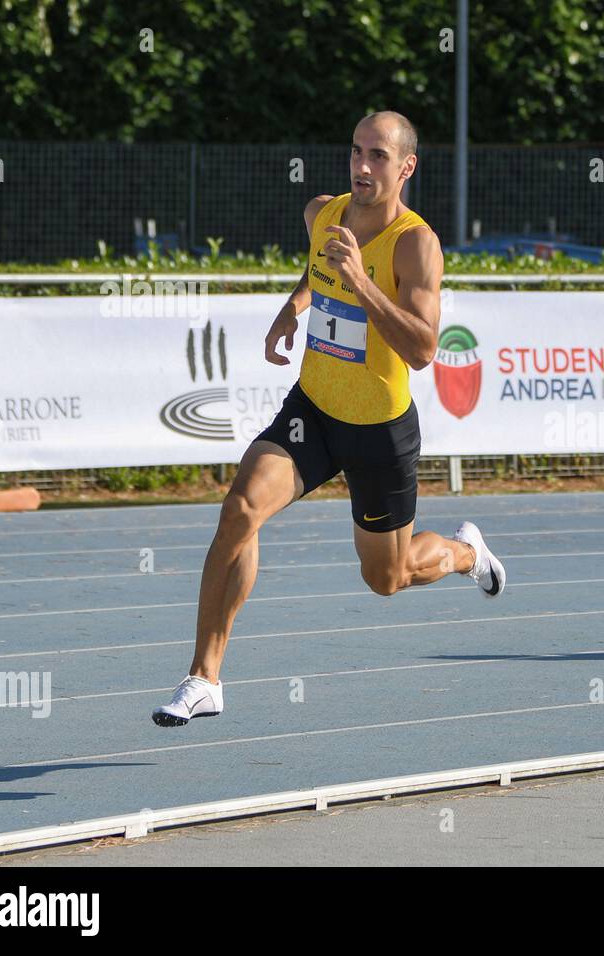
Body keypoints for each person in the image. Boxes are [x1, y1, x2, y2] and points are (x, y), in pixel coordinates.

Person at [152, 111, 505, 727]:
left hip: (379, 432)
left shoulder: (416, 244)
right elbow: (318, 268)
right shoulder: (323, 214)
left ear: (406, 167)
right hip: (312, 412)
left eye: (378, 156)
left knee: (387, 577)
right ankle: (204, 678)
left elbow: (423, 350)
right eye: (356, 152)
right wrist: (294, 306)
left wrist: (364, 284)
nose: (363, 166)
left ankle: (465, 554)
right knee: (240, 509)